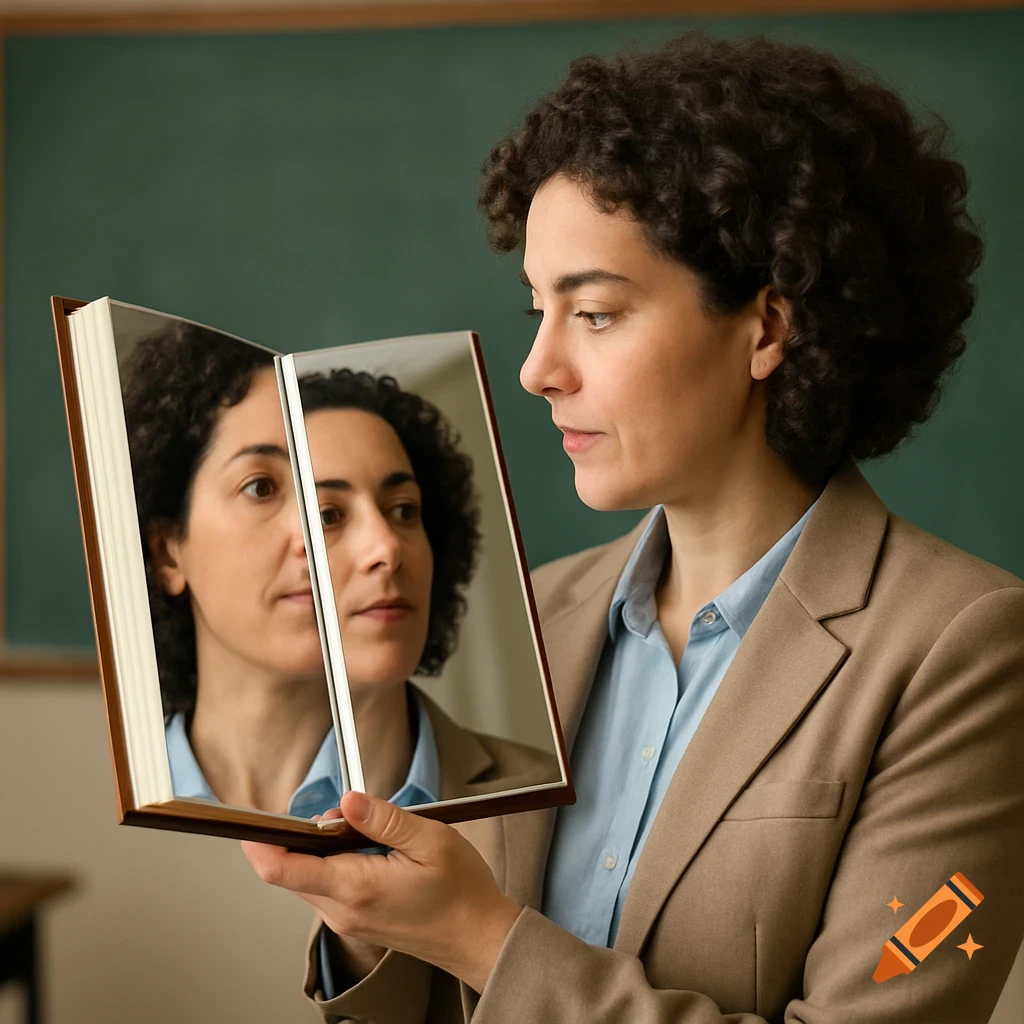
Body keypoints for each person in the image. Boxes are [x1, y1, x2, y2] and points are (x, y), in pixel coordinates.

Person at [241, 30, 1024, 1023]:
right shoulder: (536, 614)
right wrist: (367, 918)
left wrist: (481, 934)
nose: (535, 369)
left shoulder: (964, 645)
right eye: (536, 309)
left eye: (596, 313)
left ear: (769, 327)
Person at [122, 328, 552, 820]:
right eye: (262, 488)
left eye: (405, 509)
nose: (386, 547)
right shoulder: (70, 808)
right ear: (167, 553)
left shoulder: (547, 801)